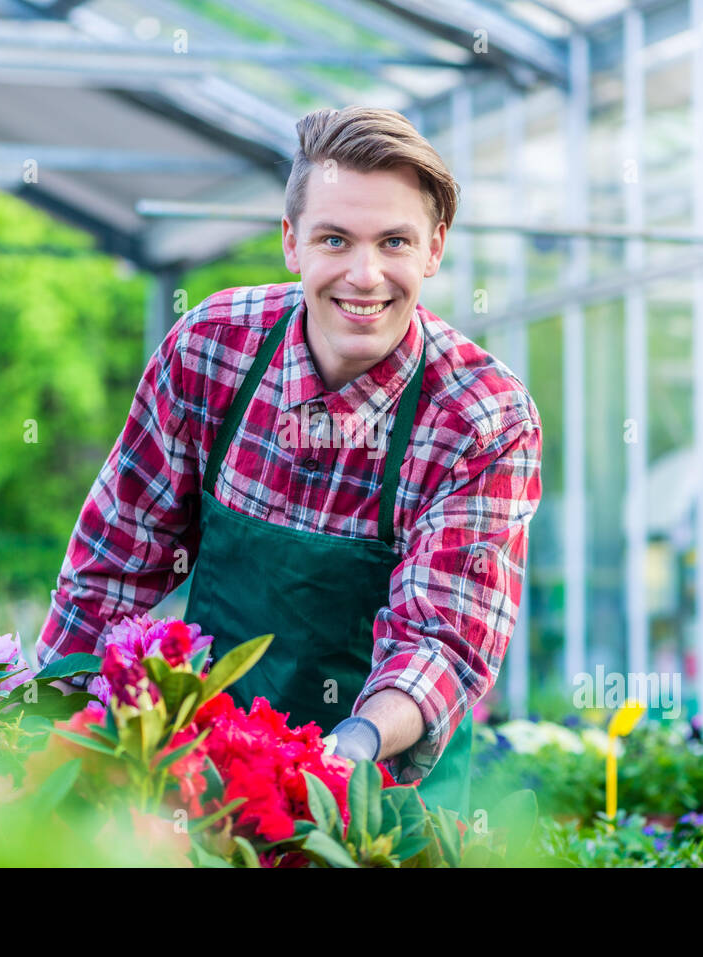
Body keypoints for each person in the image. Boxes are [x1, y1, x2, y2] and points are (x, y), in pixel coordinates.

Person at [36, 105, 543, 817]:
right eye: (335, 239)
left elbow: (441, 639)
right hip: (207, 785)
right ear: (291, 242)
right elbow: (114, 562)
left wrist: (347, 750)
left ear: (434, 249)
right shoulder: (212, 350)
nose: (365, 276)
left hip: (384, 806)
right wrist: (34, 725)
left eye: (394, 242)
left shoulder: (479, 415)